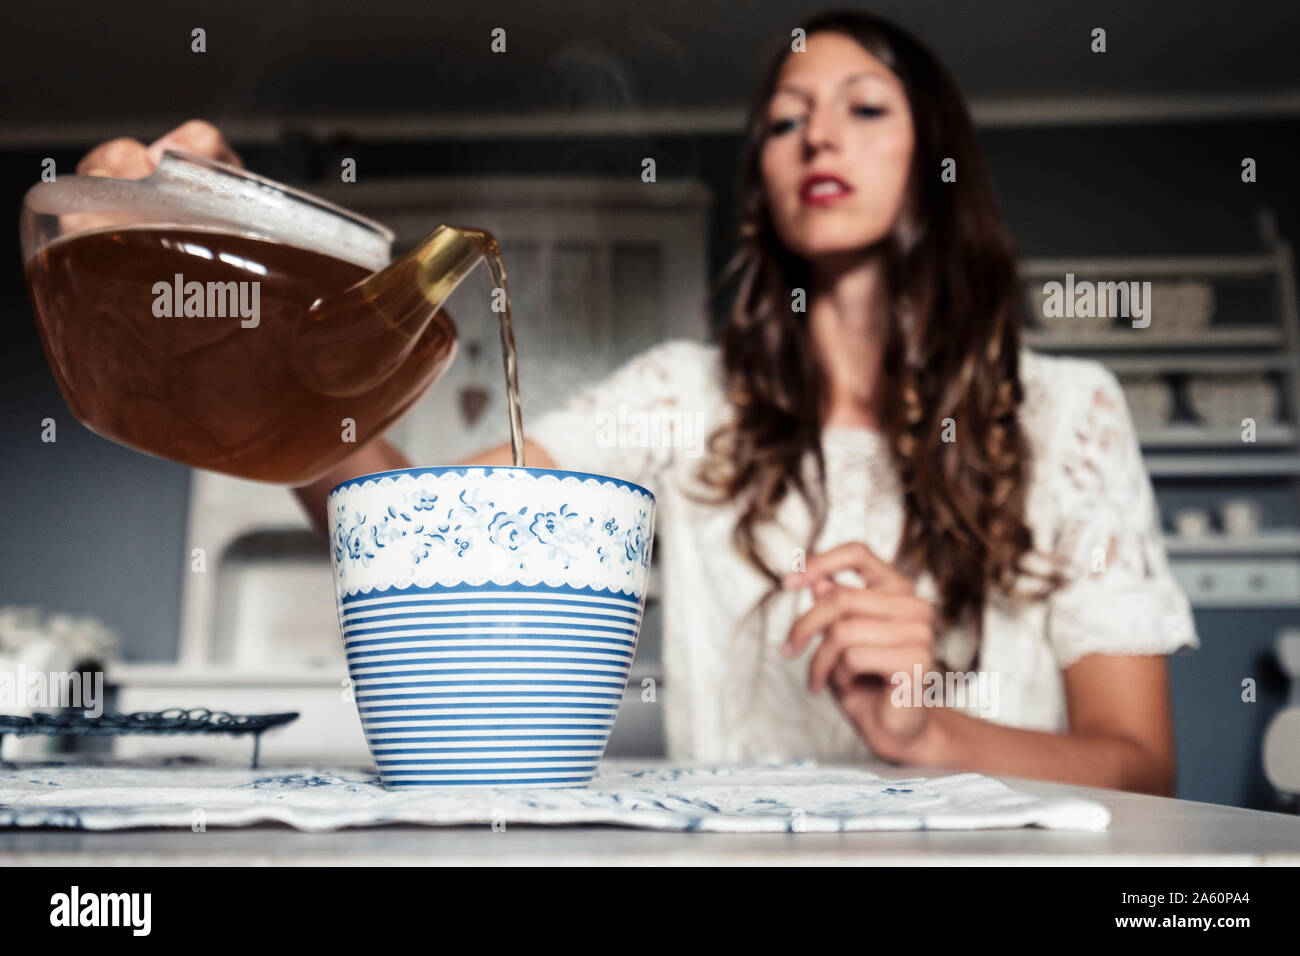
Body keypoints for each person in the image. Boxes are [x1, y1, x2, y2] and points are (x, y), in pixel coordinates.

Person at [79, 9, 1196, 794]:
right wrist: (260, 350)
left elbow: (1139, 763)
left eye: (863, 106)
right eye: (782, 117)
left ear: (939, 161)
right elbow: (423, 531)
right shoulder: (682, 390)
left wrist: (922, 722)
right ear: (760, 182)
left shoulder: (1067, 411)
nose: (815, 133)